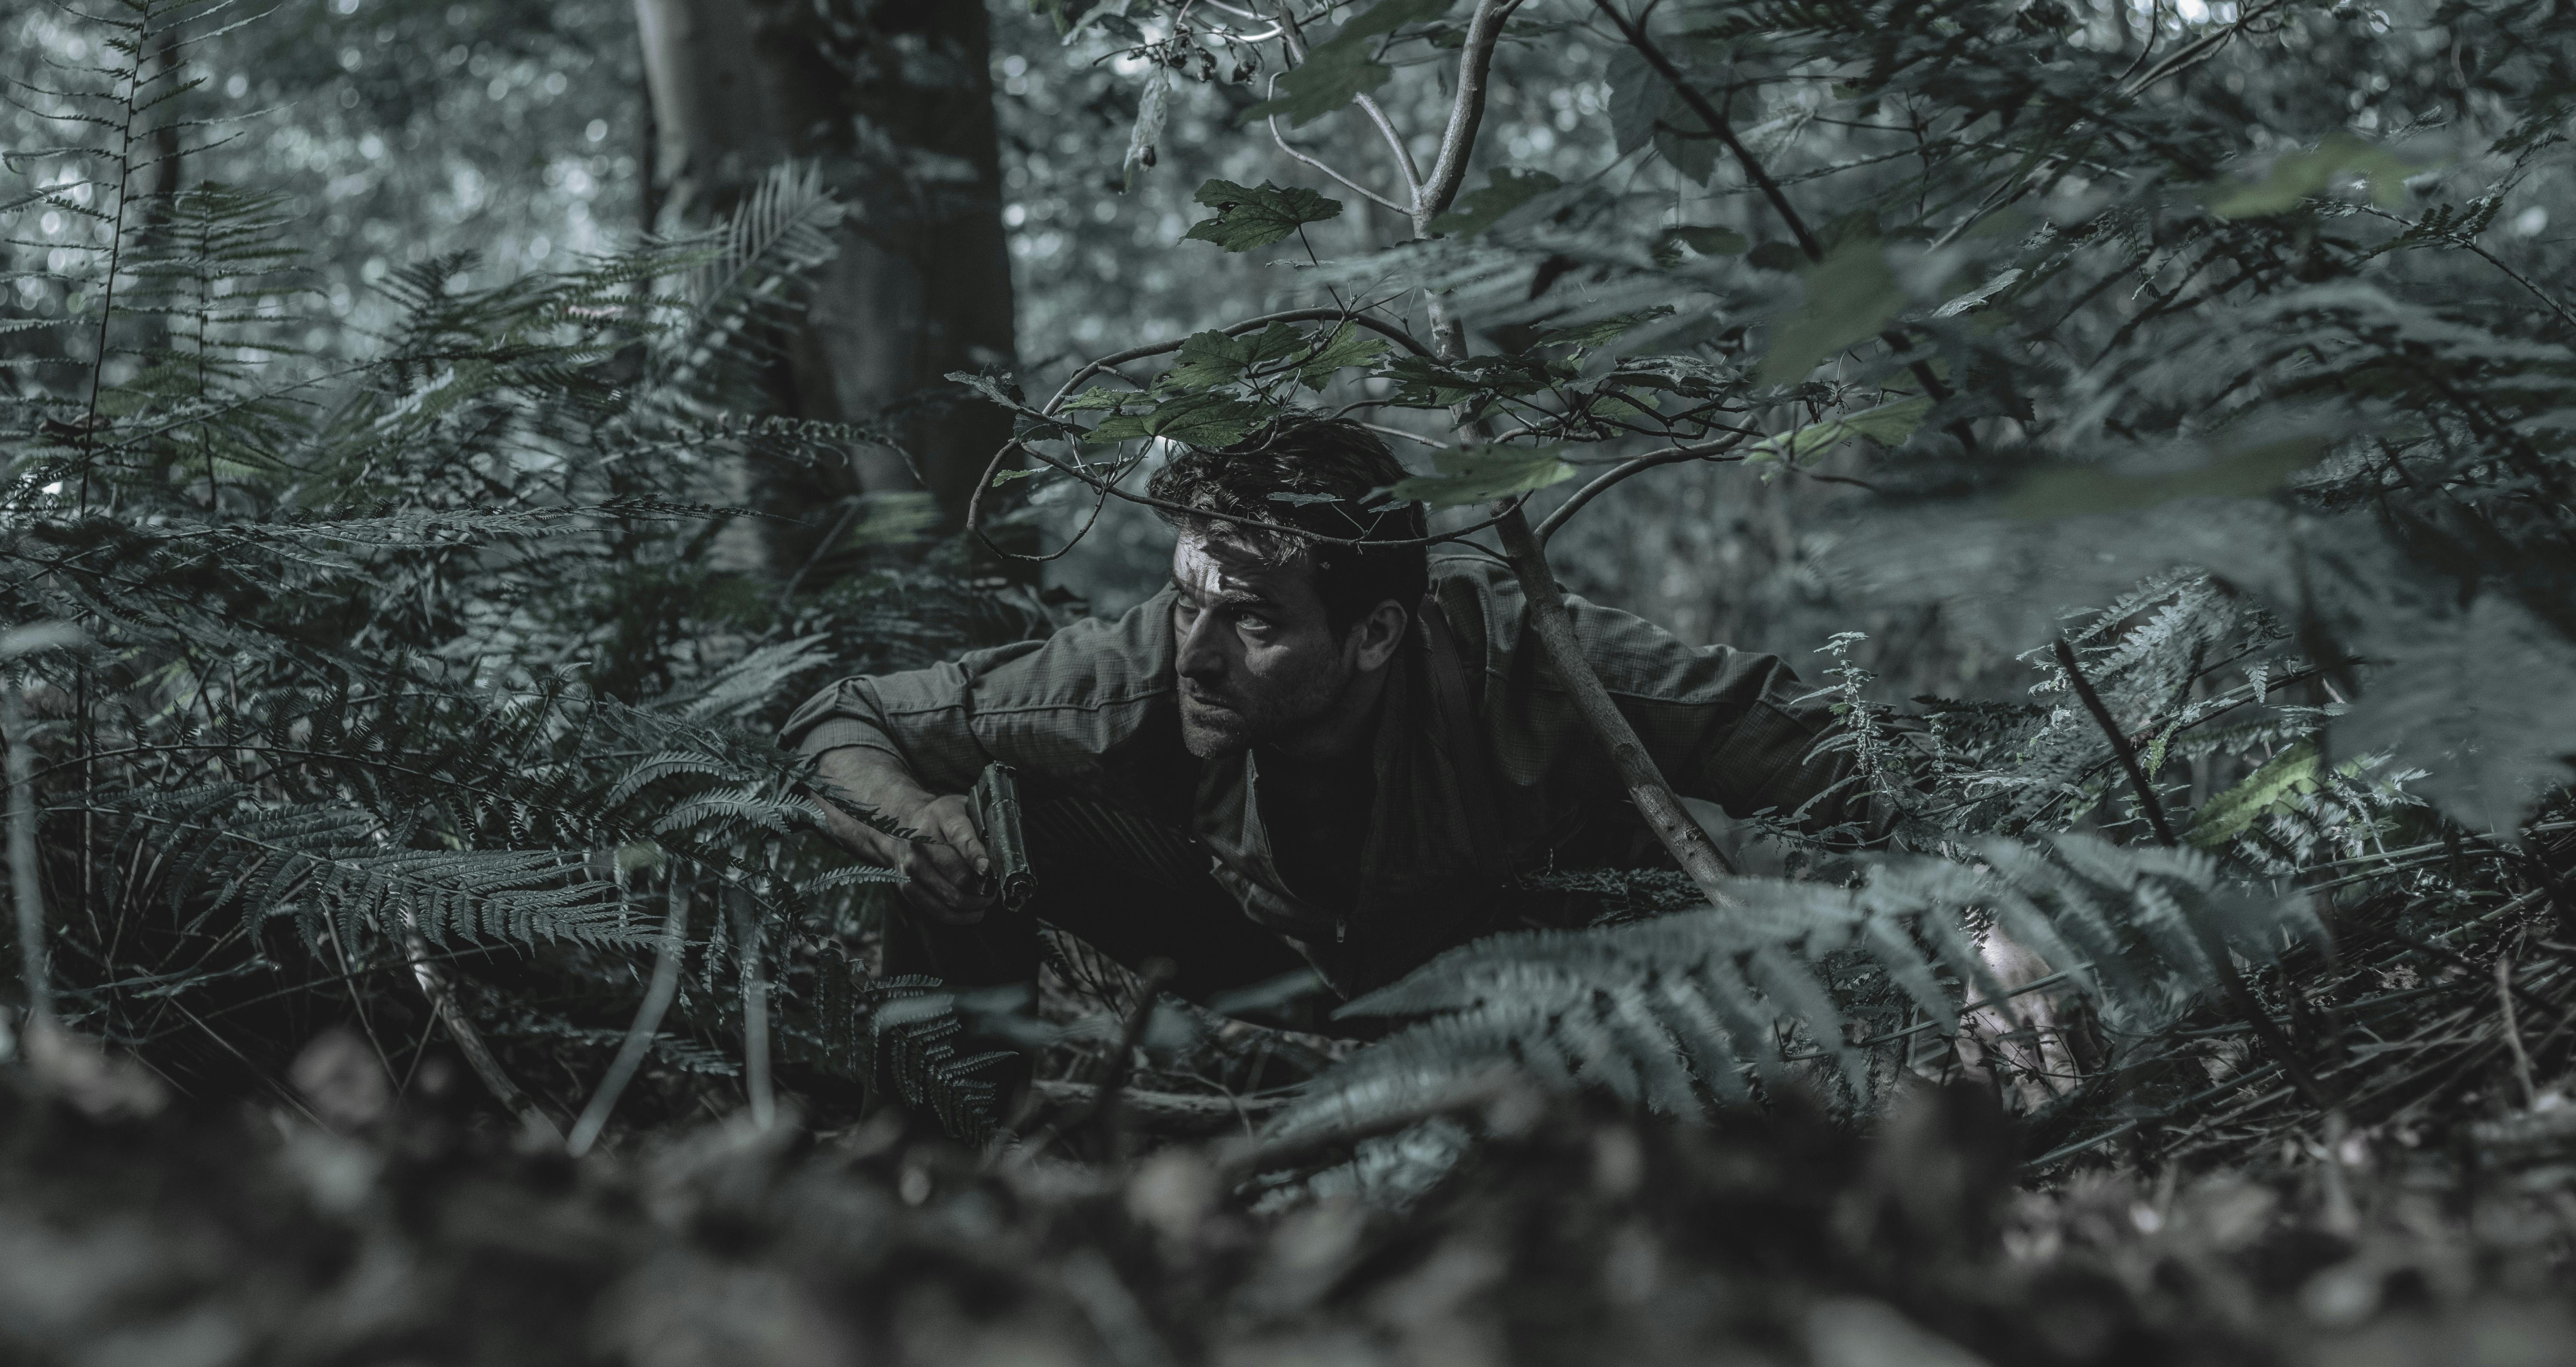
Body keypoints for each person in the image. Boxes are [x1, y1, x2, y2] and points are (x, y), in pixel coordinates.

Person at [782, 417, 1880, 1008]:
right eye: (1184, 601)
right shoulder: (1141, 665)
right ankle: (947, 1198)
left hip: (1555, 1007)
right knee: (984, 813)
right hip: (1289, 984)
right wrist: (916, 827)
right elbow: (845, 720)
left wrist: (2004, 925)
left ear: (1377, 633)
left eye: (1252, 619)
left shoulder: (1542, 667)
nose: (1195, 651)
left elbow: (1840, 751)